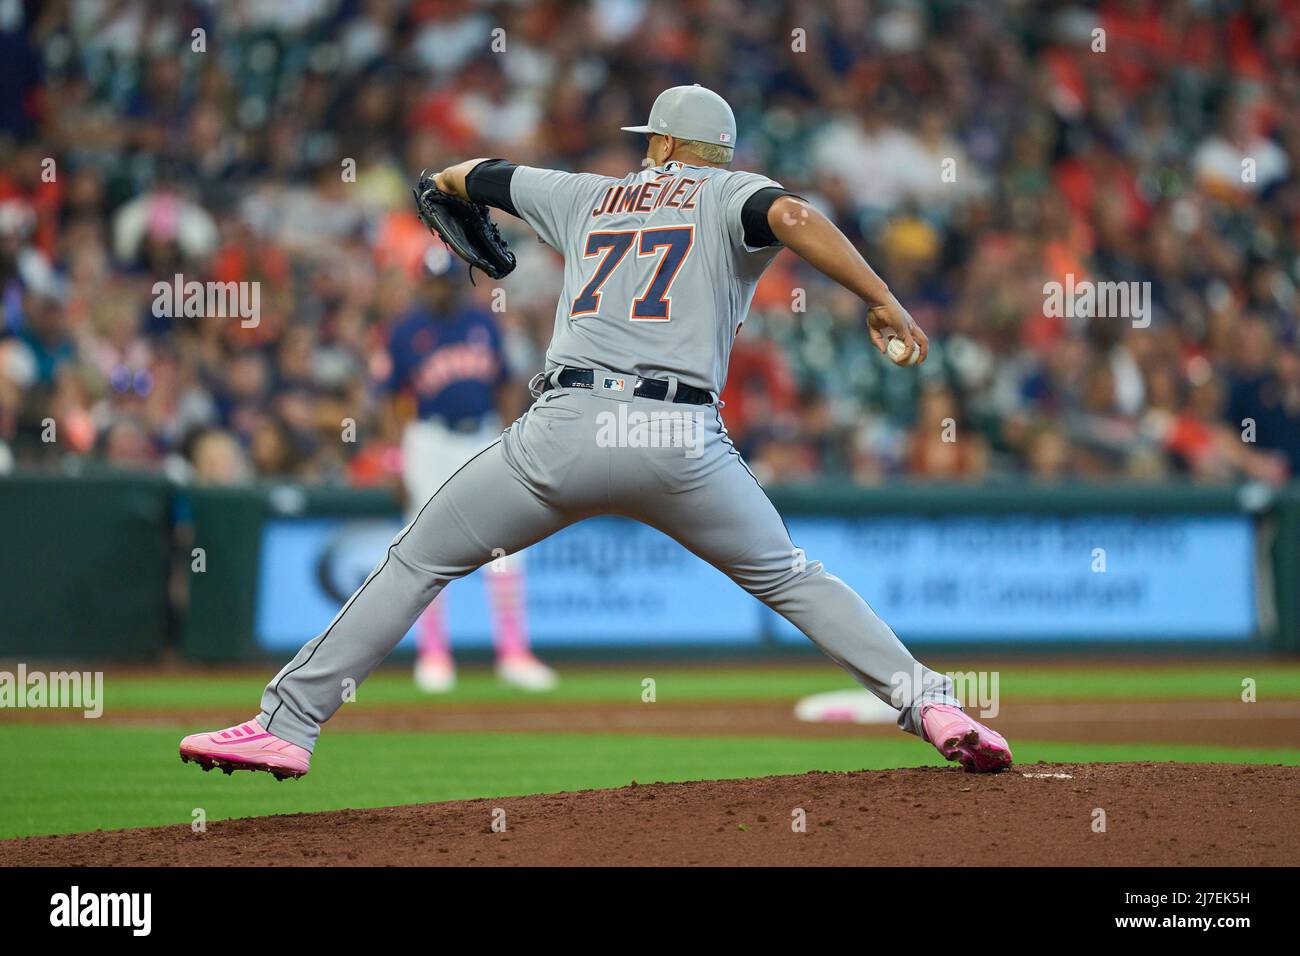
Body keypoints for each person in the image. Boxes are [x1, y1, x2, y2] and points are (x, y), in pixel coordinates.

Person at [179, 85, 1012, 780]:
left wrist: (444, 192)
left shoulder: (584, 193)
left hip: (568, 427)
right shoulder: (729, 192)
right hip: (682, 438)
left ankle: (289, 723)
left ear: (659, 145)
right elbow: (791, 215)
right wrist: (881, 297)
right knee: (794, 578)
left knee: (417, 559)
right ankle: (930, 703)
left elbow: (467, 175)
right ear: (716, 153)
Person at [387, 247, 556, 692]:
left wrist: (508, 433)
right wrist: (395, 459)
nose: (441, 289)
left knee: (507, 542)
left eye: (447, 280)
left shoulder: (482, 323)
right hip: (429, 438)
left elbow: (506, 382)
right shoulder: (406, 331)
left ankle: (514, 652)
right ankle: (434, 654)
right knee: (424, 543)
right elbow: (390, 397)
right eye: (434, 281)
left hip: (481, 435)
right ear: (423, 283)